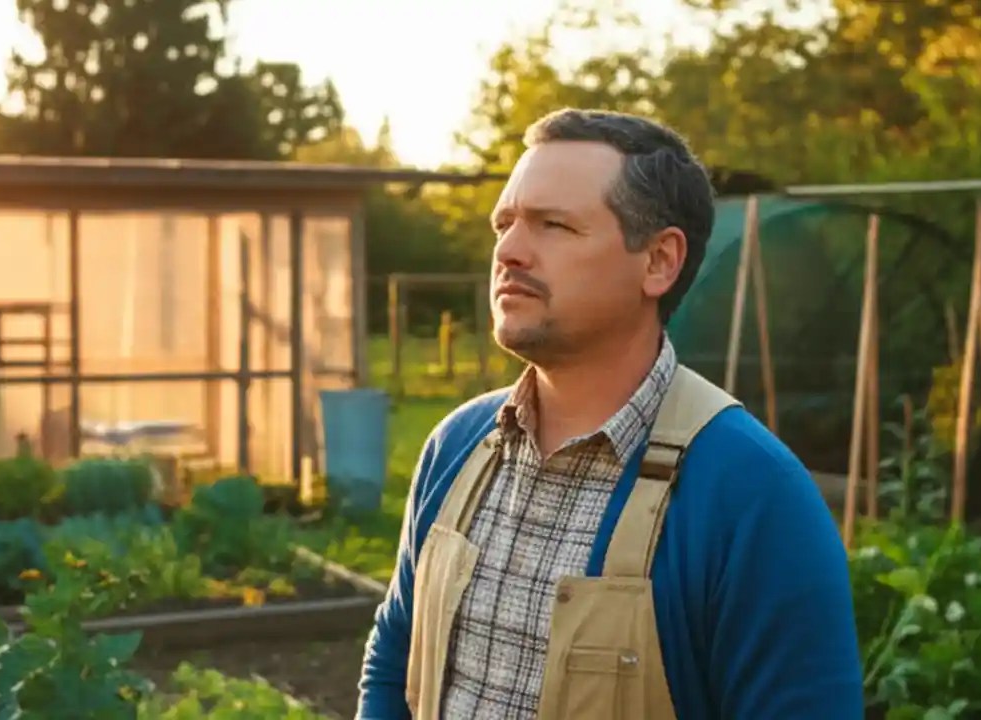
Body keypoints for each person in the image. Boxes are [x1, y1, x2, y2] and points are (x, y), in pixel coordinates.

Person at [355, 108, 864, 719]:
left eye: (554, 226)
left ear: (658, 262)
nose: (510, 251)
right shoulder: (458, 446)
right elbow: (395, 663)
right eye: (505, 225)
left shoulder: (754, 496)